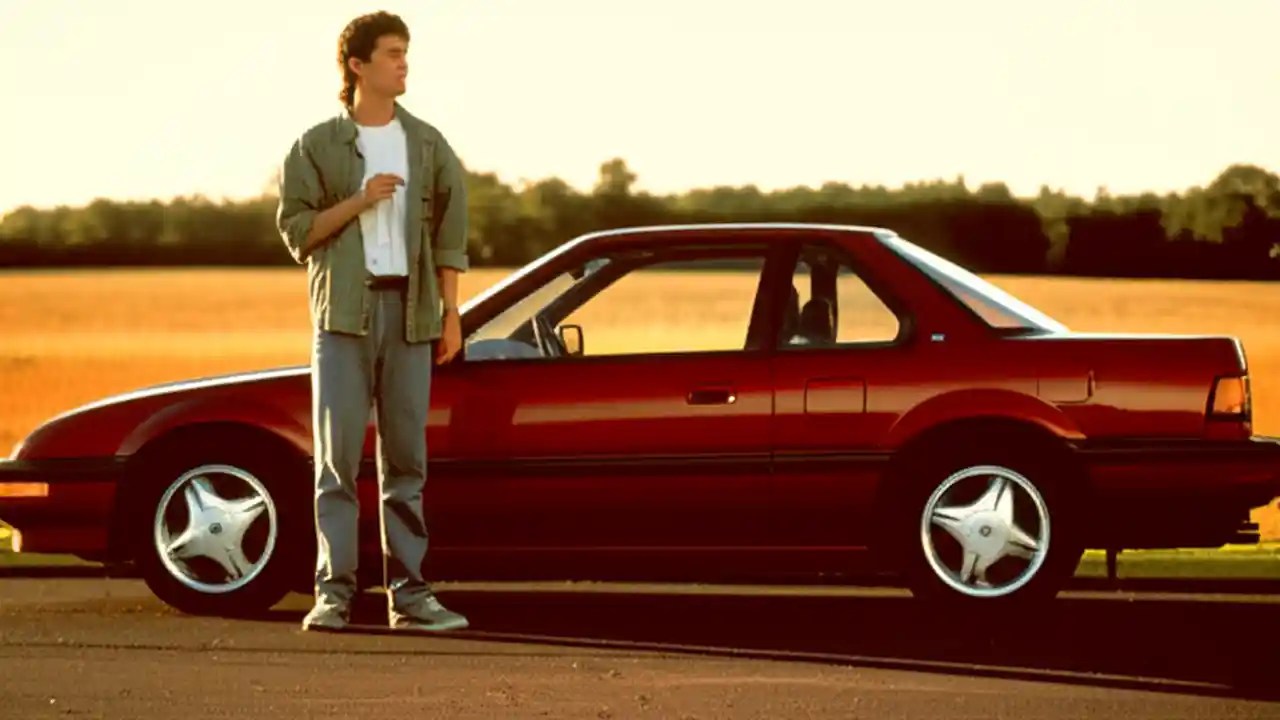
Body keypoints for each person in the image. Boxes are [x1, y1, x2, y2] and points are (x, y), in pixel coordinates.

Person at [275, 10, 470, 632]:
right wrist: (360, 200)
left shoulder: (431, 144)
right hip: (342, 319)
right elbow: (297, 232)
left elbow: (451, 234)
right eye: (391, 53)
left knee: (406, 463)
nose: (403, 63)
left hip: (412, 317)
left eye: (405, 52)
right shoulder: (314, 145)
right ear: (357, 66)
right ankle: (333, 595)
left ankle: (411, 599)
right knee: (335, 463)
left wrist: (452, 314)